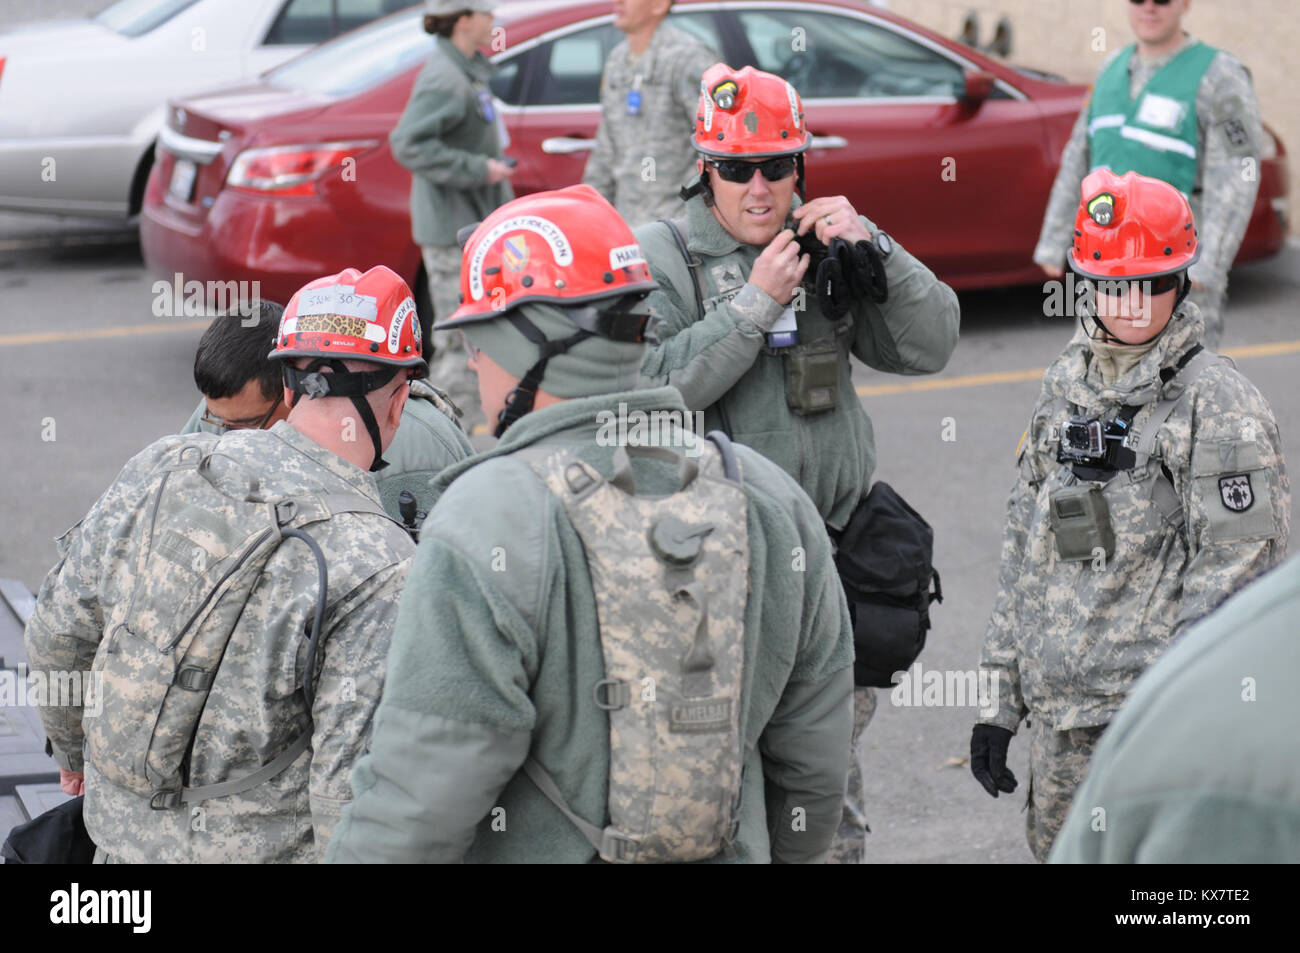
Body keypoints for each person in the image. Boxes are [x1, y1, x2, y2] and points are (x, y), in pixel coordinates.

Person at [326, 185, 855, 864]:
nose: (475, 366)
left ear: (526, 344)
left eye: (479, 345)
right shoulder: (769, 495)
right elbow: (814, 761)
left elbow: (419, 801)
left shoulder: (486, 515)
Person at [634, 64, 960, 863]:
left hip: (834, 563)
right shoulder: (665, 255)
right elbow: (646, 399)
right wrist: (753, 305)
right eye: (736, 169)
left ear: (801, 167)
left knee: (826, 797)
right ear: (703, 168)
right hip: (722, 576)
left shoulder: (822, 246)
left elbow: (932, 343)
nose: (758, 187)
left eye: (777, 167)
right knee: (726, 796)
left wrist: (875, 245)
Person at [23, 266, 425, 862]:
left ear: (286, 388)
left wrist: (74, 754)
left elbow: (60, 631)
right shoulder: (381, 564)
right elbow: (355, 800)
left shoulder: (161, 465)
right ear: (398, 402)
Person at [973, 170, 1289, 862]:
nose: (1132, 302)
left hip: (1147, 721)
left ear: (1180, 279)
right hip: (1060, 718)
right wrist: (999, 698)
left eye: (1150, 282)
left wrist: (1179, 716)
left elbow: (1234, 582)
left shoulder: (1217, 403)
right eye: (1114, 283)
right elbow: (1026, 535)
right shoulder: (1068, 380)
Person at [1033, 0, 1262, 350]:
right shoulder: (1111, 68)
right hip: (1106, 263)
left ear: (1185, 4)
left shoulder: (1220, 75)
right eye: (1140, 0)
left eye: (1163, 0)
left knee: (1180, 385)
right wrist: (1053, 241)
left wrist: (1208, 264)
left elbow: (1236, 175)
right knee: (1101, 375)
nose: (1150, 8)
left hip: (1175, 270)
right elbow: (1077, 156)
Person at [1050, 552, 1300, 863]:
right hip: (1062, 710)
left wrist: (1177, 696)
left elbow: (1225, 577)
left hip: (1141, 709)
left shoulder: (1224, 787)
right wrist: (1000, 709)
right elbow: (1020, 575)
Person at [180, 299, 474, 532]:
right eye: (219, 422)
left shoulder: (415, 451)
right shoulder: (226, 411)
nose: (232, 439)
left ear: (293, 389)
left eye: (246, 425)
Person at [392, 0, 515, 431]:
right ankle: (437, 435)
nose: (493, 20)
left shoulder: (465, 69)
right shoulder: (446, 78)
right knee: (460, 340)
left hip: (466, 223)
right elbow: (408, 143)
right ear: (464, 20)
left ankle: (444, 432)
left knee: (467, 335)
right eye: (486, 13)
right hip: (450, 230)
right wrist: (479, 169)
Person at [582, 0, 717, 227]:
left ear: (658, 4)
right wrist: (589, 211)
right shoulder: (617, 59)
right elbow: (606, 148)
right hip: (628, 223)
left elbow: (717, 145)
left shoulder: (688, 58)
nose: (618, 2)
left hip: (678, 226)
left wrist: (702, 216)